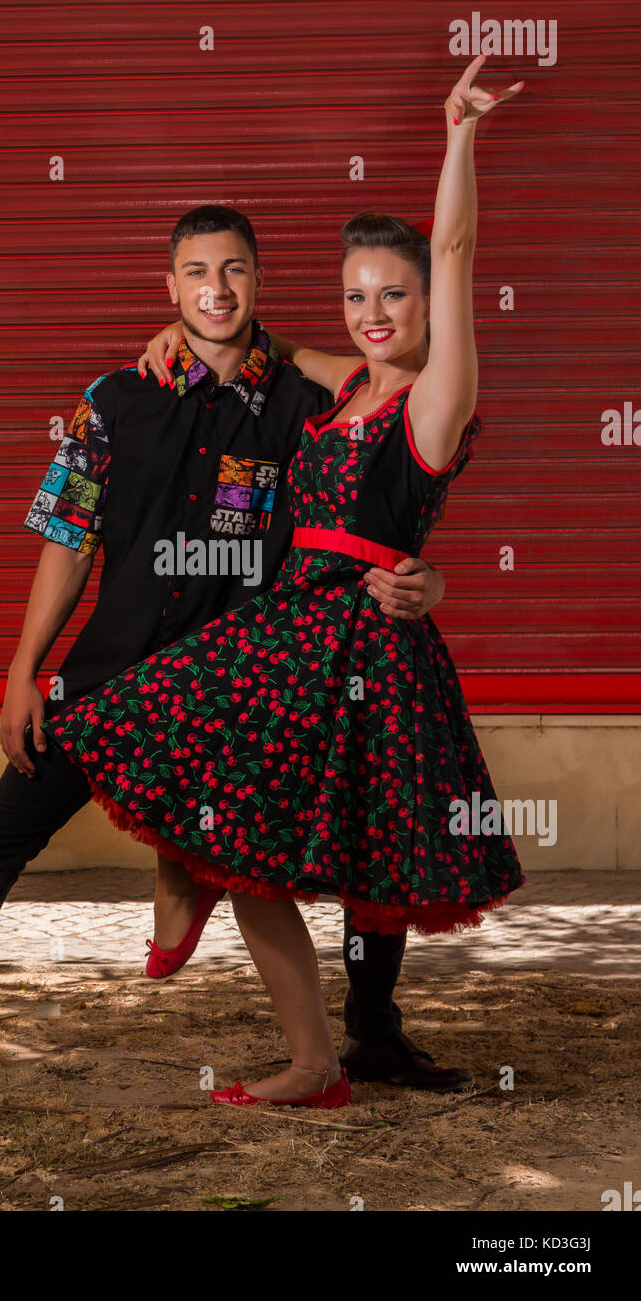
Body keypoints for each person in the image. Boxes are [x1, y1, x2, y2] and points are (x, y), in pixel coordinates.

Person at [0, 203, 449, 1102]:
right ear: (169, 288)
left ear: (260, 285)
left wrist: (423, 579)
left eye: (236, 271)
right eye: (198, 274)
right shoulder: (112, 401)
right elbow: (66, 537)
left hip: (239, 690)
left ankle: (373, 1035)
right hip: (111, 682)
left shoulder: (308, 405)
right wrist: (23, 671)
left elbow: (388, 486)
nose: (217, 289)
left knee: (364, 828)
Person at [39, 54, 527, 1109]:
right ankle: (308, 1034)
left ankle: (327, 1056)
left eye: (392, 293)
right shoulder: (344, 381)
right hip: (291, 630)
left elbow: (453, 247)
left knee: (337, 851)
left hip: (362, 644)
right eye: (356, 294)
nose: (373, 310)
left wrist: (457, 134)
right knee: (213, 795)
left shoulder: (434, 399)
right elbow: (250, 338)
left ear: (426, 303)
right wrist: (183, 322)